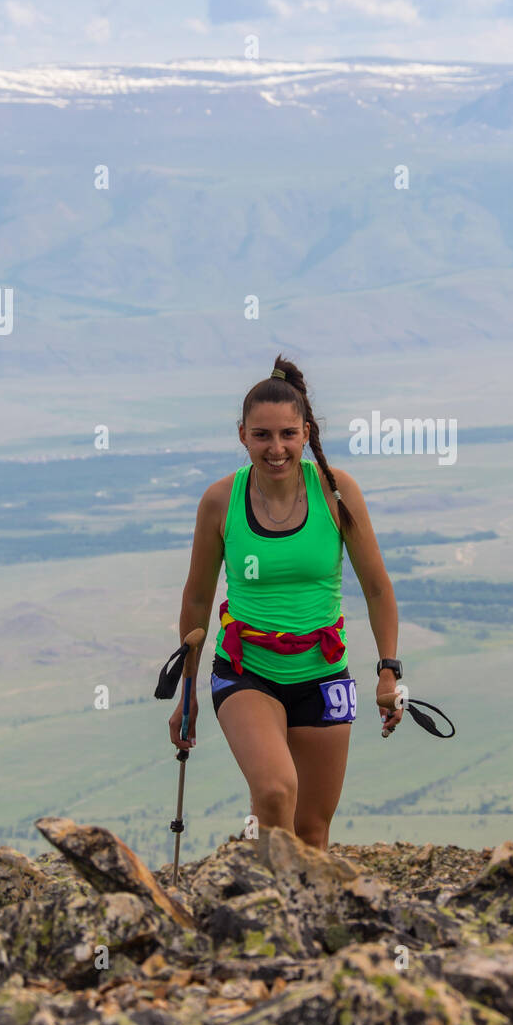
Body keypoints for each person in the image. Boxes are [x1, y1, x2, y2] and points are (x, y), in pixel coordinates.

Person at [168, 355, 403, 851]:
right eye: (262, 436)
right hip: (245, 671)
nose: (276, 449)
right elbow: (196, 598)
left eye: (288, 435)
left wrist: (388, 670)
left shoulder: (337, 493)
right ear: (242, 435)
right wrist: (186, 689)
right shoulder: (220, 501)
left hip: (324, 675)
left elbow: (378, 589)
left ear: (305, 432)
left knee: (313, 830)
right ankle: (268, 911)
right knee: (275, 792)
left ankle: (299, 920)